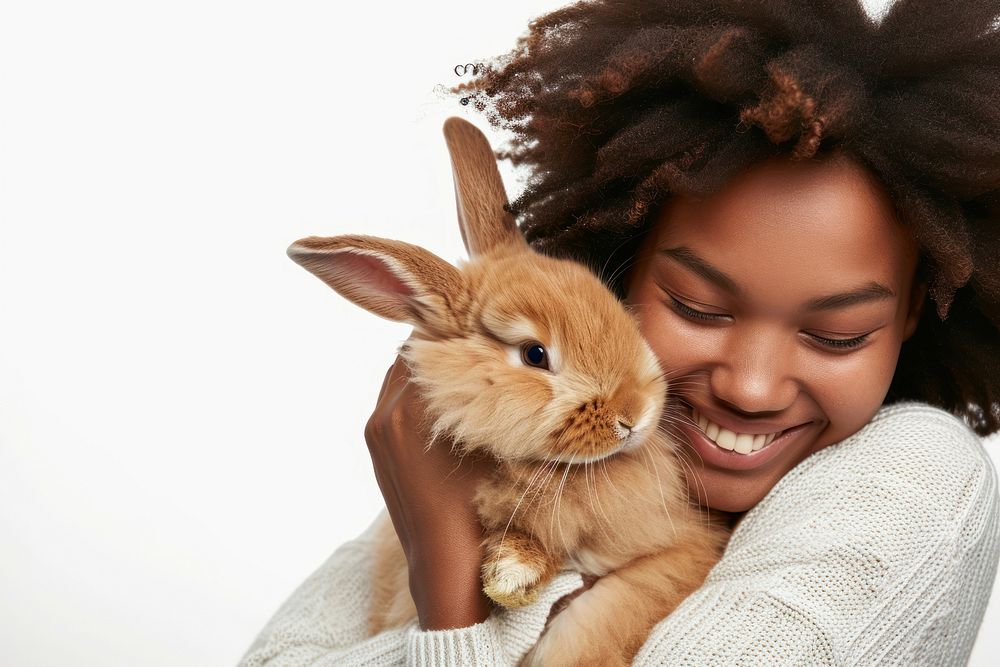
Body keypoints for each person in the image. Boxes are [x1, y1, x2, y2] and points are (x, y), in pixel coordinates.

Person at [240, 0, 1000, 664]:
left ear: (913, 313)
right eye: (699, 308)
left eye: (835, 335)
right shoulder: (530, 459)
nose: (751, 386)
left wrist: (447, 586)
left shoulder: (918, 476)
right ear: (625, 271)